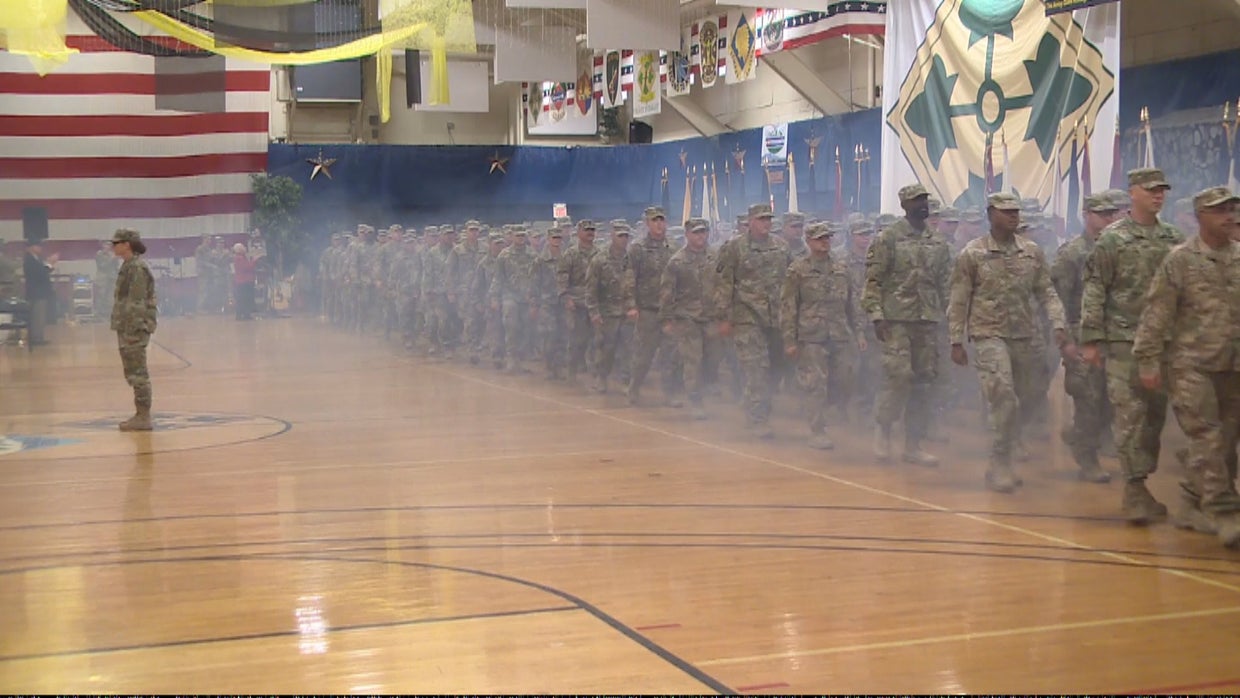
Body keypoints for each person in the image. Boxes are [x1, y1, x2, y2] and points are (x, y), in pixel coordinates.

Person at [1133, 186, 1240, 547]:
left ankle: (1193, 503)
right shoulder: (1180, 260)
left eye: (1232, 209)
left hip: (1233, 365)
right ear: (1200, 216)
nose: (1229, 216)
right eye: (1219, 210)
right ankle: (1225, 511)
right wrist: (1147, 359)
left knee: (1226, 442)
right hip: (1190, 366)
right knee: (1207, 437)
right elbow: (1157, 312)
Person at [1080, 167, 1185, 523]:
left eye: (1162, 190)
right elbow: (1095, 288)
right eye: (1151, 189)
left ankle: (1142, 479)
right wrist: (1092, 339)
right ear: (1133, 193)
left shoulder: (1173, 238)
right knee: (1130, 416)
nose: (1159, 195)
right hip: (1123, 340)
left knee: (1155, 418)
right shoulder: (1112, 239)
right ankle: (1134, 488)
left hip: (1163, 343)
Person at [948, 193, 1073, 492]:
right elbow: (959, 298)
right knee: (1004, 396)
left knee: (1031, 396)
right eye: (1006, 212)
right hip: (988, 334)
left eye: (1015, 211)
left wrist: (1057, 322)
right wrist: (956, 339)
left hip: (1026, 335)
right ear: (990, 214)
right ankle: (1000, 462)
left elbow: (1046, 291)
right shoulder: (972, 254)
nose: (1013, 216)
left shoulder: (1032, 252)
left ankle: (1012, 437)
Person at [862, 184, 952, 465]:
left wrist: (953, 317)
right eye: (916, 201)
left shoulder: (938, 242)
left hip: (927, 321)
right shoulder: (888, 239)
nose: (923, 205)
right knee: (899, 377)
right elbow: (873, 281)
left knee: (924, 383)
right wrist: (876, 316)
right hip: (896, 321)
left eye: (925, 199)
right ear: (904, 206)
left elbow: (946, 283)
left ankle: (913, 444)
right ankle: (884, 429)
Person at [1051, 191, 1125, 483]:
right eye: (1103, 214)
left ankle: (1080, 436)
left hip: (1114, 337)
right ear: (1087, 215)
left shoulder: (1118, 249)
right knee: (1089, 399)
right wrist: (1066, 342)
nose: (1109, 219)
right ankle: (1088, 458)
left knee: (1111, 401)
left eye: (1113, 214)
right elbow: (1058, 300)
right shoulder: (1072, 253)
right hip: (1082, 338)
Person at [781, 222, 866, 449]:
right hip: (811, 336)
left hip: (839, 333)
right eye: (819, 238)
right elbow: (789, 306)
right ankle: (817, 430)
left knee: (846, 377)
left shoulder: (841, 268)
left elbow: (852, 304)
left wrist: (859, 333)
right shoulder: (798, 271)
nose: (824, 242)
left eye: (827, 238)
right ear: (809, 242)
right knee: (816, 383)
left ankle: (833, 407)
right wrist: (789, 340)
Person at [713, 203, 792, 438]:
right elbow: (724, 283)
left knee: (776, 370)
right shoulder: (734, 248)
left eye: (768, 218)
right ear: (750, 222)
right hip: (746, 316)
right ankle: (758, 418)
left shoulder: (781, 247)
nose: (766, 223)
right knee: (757, 368)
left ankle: (751, 401)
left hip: (776, 318)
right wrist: (724, 317)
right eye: (761, 219)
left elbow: (790, 283)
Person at [659, 217, 718, 419]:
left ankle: (705, 385)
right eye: (696, 233)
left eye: (703, 232)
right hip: (687, 319)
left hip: (711, 317)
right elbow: (667, 292)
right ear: (687, 235)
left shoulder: (715, 257)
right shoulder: (677, 261)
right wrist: (667, 320)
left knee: (713, 357)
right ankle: (695, 400)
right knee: (693, 360)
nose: (701, 236)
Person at [110, 229, 157, 431]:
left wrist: (133, 329)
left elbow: (136, 301)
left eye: (116, 242)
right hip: (127, 325)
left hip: (134, 326)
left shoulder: (136, 268)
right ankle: (140, 414)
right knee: (133, 370)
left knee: (138, 371)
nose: (113, 246)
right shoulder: (128, 266)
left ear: (127, 244)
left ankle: (143, 416)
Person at [23, 241, 56, 346]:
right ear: (32, 247)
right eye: (38, 246)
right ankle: (36, 338)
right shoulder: (29, 259)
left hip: (40, 291)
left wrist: (49, 265)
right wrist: (50, 263)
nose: (40, 248)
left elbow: (43, 271)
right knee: (37, 316)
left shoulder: (36, 258)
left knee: (40, 316)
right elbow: (40, 273)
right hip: (36, 292)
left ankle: (39, 337)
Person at [231, 243, 257, 320]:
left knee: (245, 298)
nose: (245, 248)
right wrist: (254, 260)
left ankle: (245, 314)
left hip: (244, 281)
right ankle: (243, 314)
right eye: (243, 247)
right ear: (239, 250)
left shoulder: (242, 257)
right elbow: (247, 267)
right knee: (244, 298)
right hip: (244, 281)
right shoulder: (239, 258)